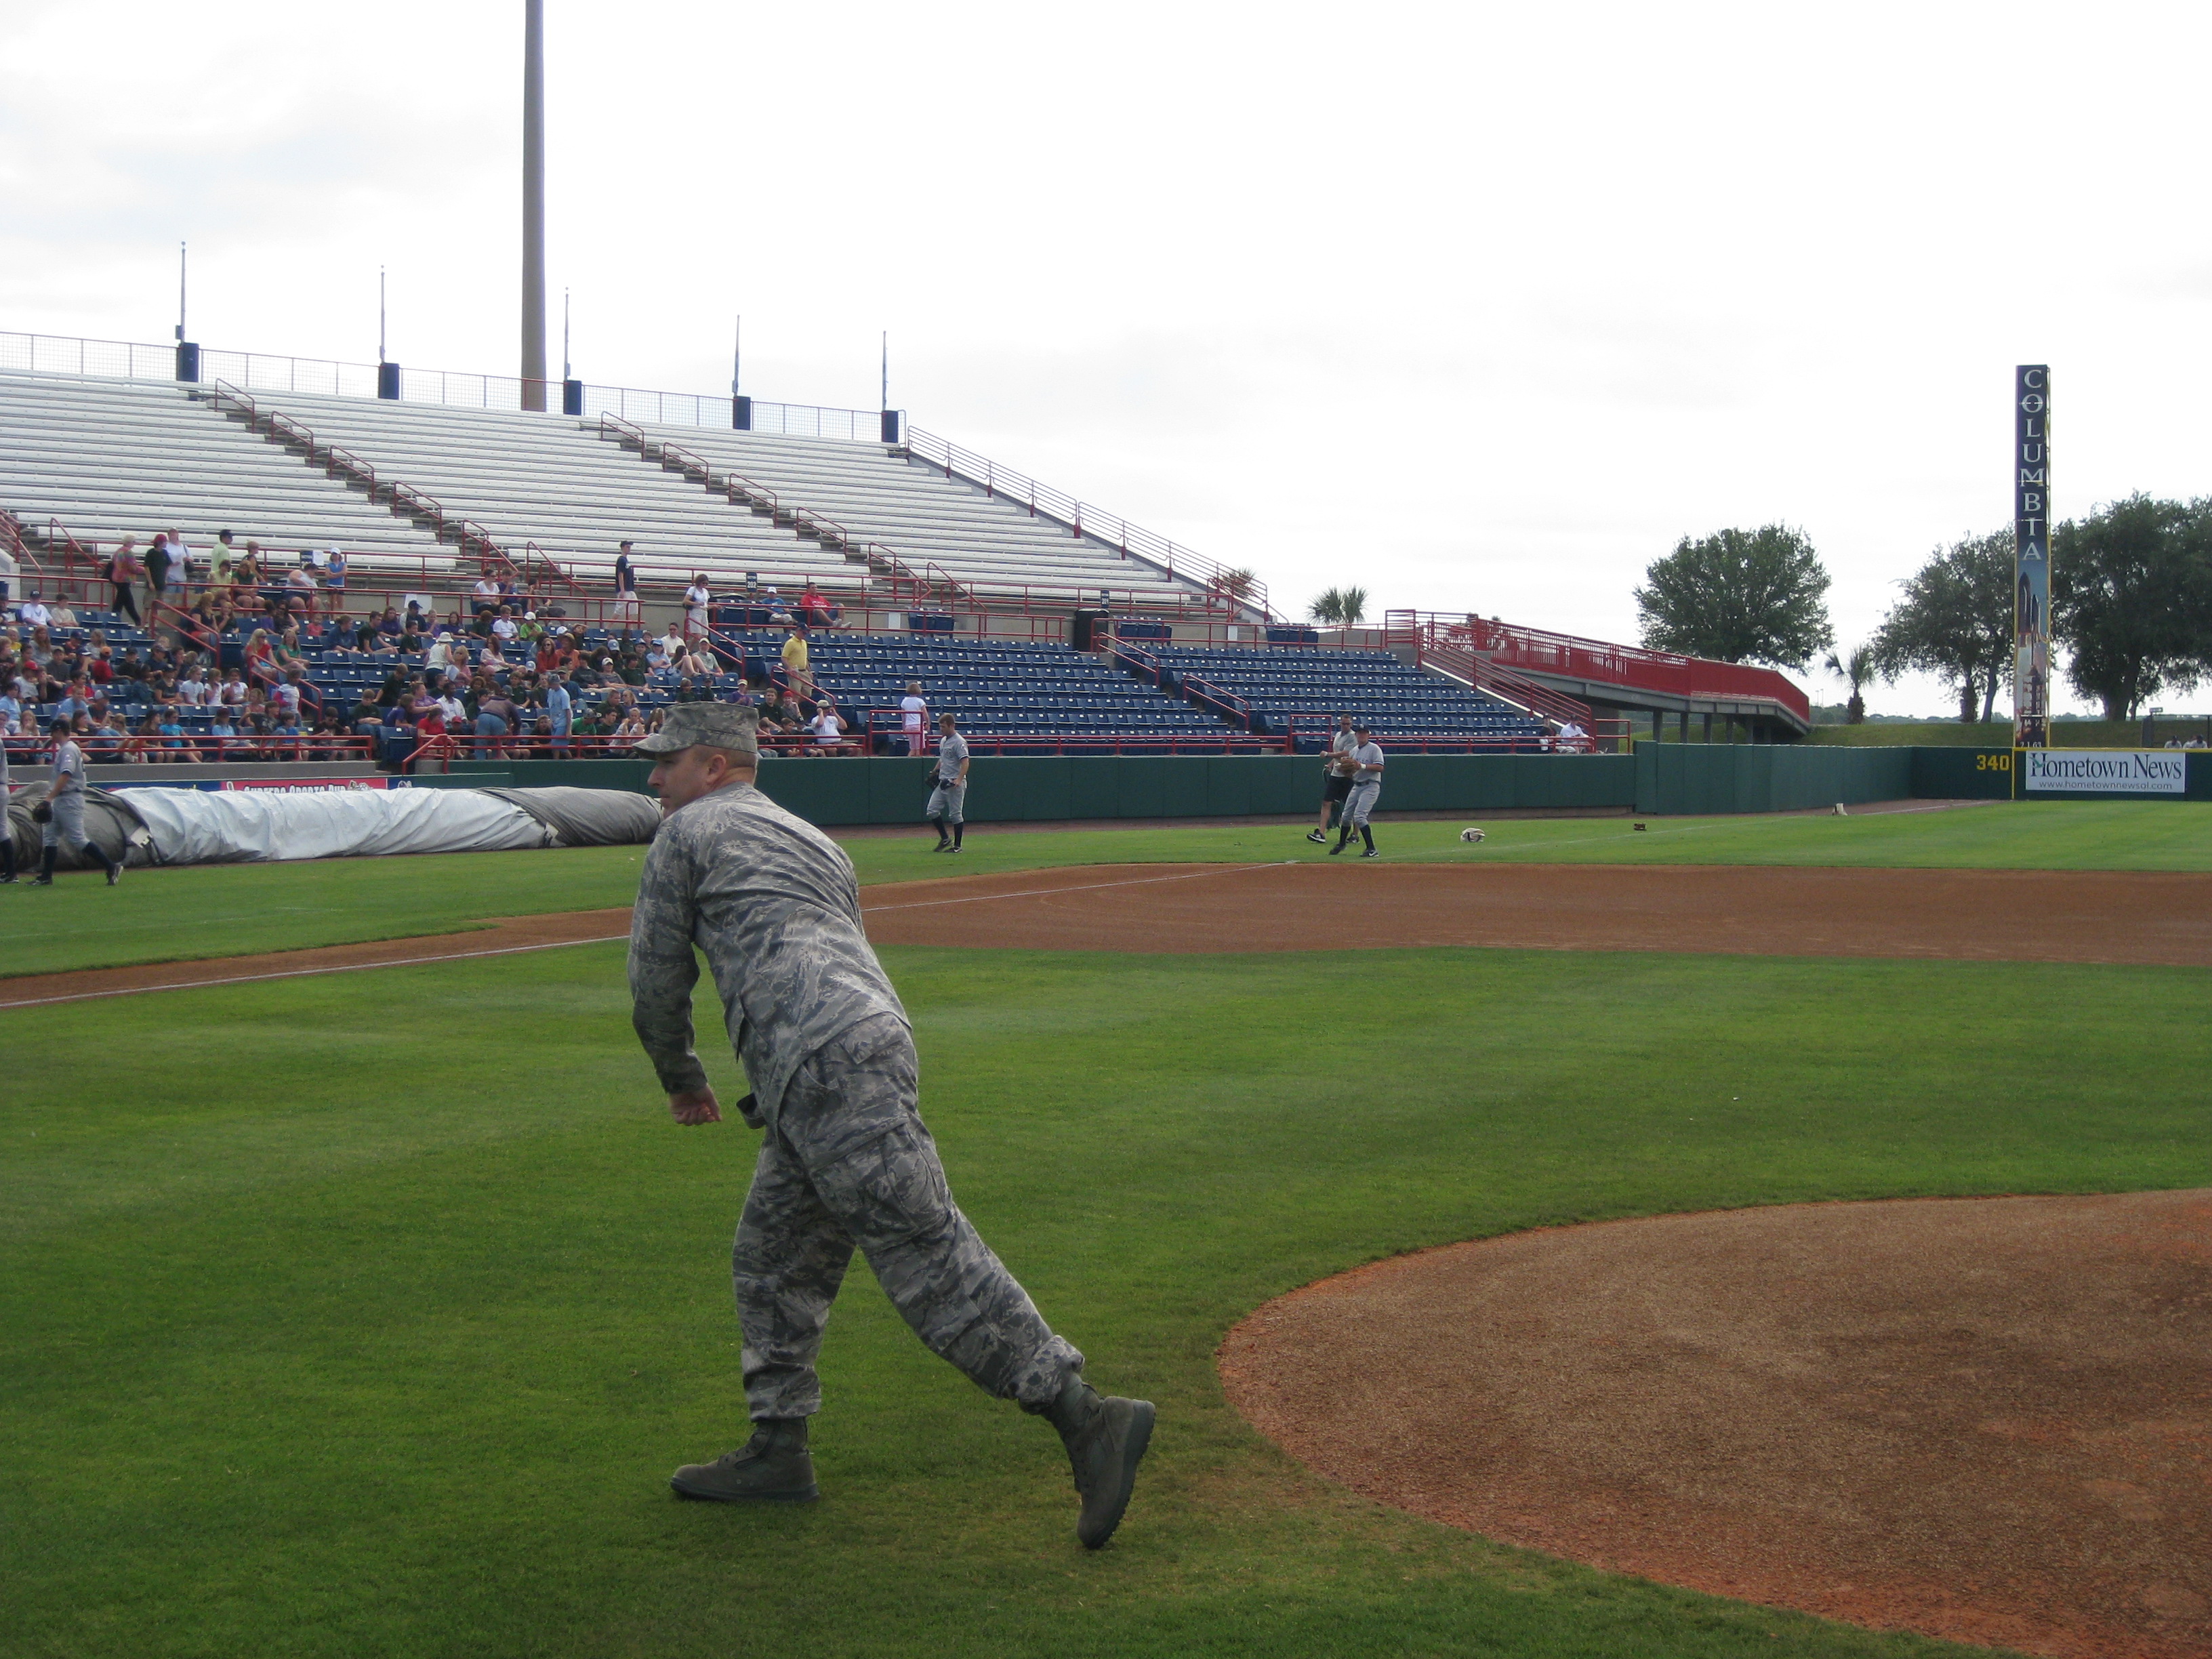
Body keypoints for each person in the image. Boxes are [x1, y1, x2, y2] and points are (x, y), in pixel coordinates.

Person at [626, 703, 1153, 1538]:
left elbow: (657, 979)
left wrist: (682, 1077)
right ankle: (777, 1446)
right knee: (772, 1258)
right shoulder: (816, 839)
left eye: (668, 763)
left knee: (920, 1247)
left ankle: (1084, 1413)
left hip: (825, 1059)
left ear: (715, 766)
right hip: (851, 1046)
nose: (653, 778)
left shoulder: (685, 837)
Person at [30, 715, 122, 886]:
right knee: (50, 836)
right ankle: (46, 877)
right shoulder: (65, 748)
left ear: (59, 731)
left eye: (53, 732)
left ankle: (111, 866)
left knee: (77, 839)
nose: (52, 736)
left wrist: (49, 798)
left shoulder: (68, 749)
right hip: (62, 798)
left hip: (70, 798)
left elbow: (67, 774)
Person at [1330, 724, 1385, 858]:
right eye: (1359, 733)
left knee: (1359, 816)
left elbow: (1380, 767)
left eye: (1364, 733)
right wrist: (1342, 769)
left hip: (1371, 785)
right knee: (1346, 816)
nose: (1362, 735)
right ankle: (1342, 844)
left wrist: (1362, 766)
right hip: (1357, 785)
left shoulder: (1374, 749)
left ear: (1368, 735)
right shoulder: (1354, 751)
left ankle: (1372, 849)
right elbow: (1351, 773)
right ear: (1356, 735)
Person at [1307, 713, 1358, 846]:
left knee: (1352, 806)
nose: (1346, 726)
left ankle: (1355, 834)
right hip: (1336, 775)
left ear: (1351, 724)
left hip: (1348, 776)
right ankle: (1321, 833)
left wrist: (1328, 754)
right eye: (1343, 723)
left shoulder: (1353, 737)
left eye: (1348, 724)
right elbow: (1338, 756)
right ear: (1340, 723)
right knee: (1326, 802)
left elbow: (1346, 753)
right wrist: (1330, 764)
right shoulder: (1338, 736)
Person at [926, 712, 970, 851]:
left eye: (944, 727)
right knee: (932, 810)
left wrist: (958, 779)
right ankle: (945, 839)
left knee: (955, 815)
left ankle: (958, 846)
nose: (941, 729)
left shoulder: (959, 741)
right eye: (940, 727)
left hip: (955, 783)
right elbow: (943, 758)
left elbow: (965, 762)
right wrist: (934, 771)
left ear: (952, 726)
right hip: (943, 782)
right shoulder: (944, 740)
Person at [779, 626, 811, 703]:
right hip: (795, 671)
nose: (805, 635)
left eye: (806, 633)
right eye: (804, 633)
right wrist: (790, 668)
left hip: (804, 671)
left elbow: (805, 658)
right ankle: (795, 711)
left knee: (808, 693)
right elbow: (784, 657)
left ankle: (791, 705)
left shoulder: (804, 642)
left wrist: (809, 670)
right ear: (798, 631)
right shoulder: (790, 642)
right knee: (795, 694)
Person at [899, 680, 927, 757]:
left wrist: (904, 727)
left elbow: (903, 716)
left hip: (908, 726)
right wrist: (928, 723)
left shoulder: (904, 701)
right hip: (918, 726)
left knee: (913, 748)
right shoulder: (920, 701)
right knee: (918, 749)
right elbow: (925, 714)